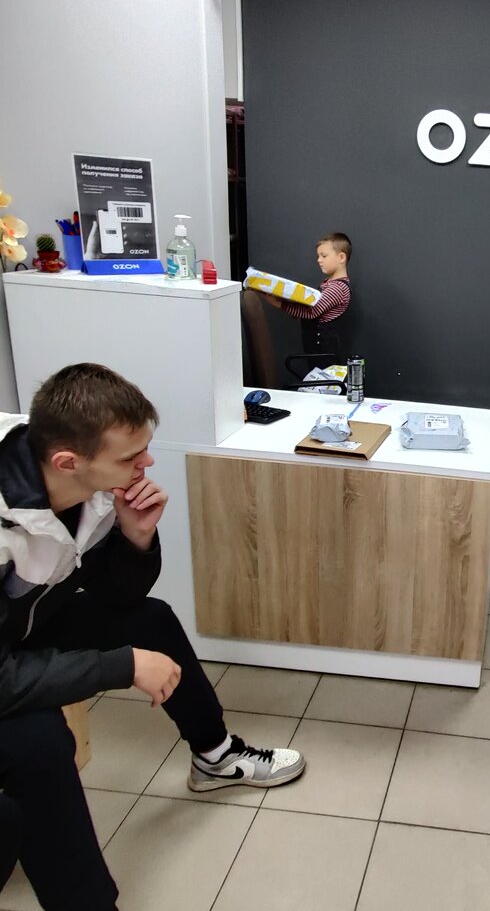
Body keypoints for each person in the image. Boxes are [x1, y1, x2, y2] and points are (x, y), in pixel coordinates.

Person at [0, 364, 306, 911]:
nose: (146, 464)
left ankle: (215, 759)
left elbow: (117, 597)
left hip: (20, 630)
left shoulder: (86, 488)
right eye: (130, 457)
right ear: (68, 462)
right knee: (39, 745)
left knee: (151, 620)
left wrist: (135, 539)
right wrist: (124, 666)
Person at [261, 232, 352, 362]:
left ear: (341, 257)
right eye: (318, 256)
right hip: (316, 352)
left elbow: (311, 312)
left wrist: (278, 303)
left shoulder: (337, 288)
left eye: (324, 256)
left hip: (325, 355)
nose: (319, 260)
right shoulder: (329, 284)